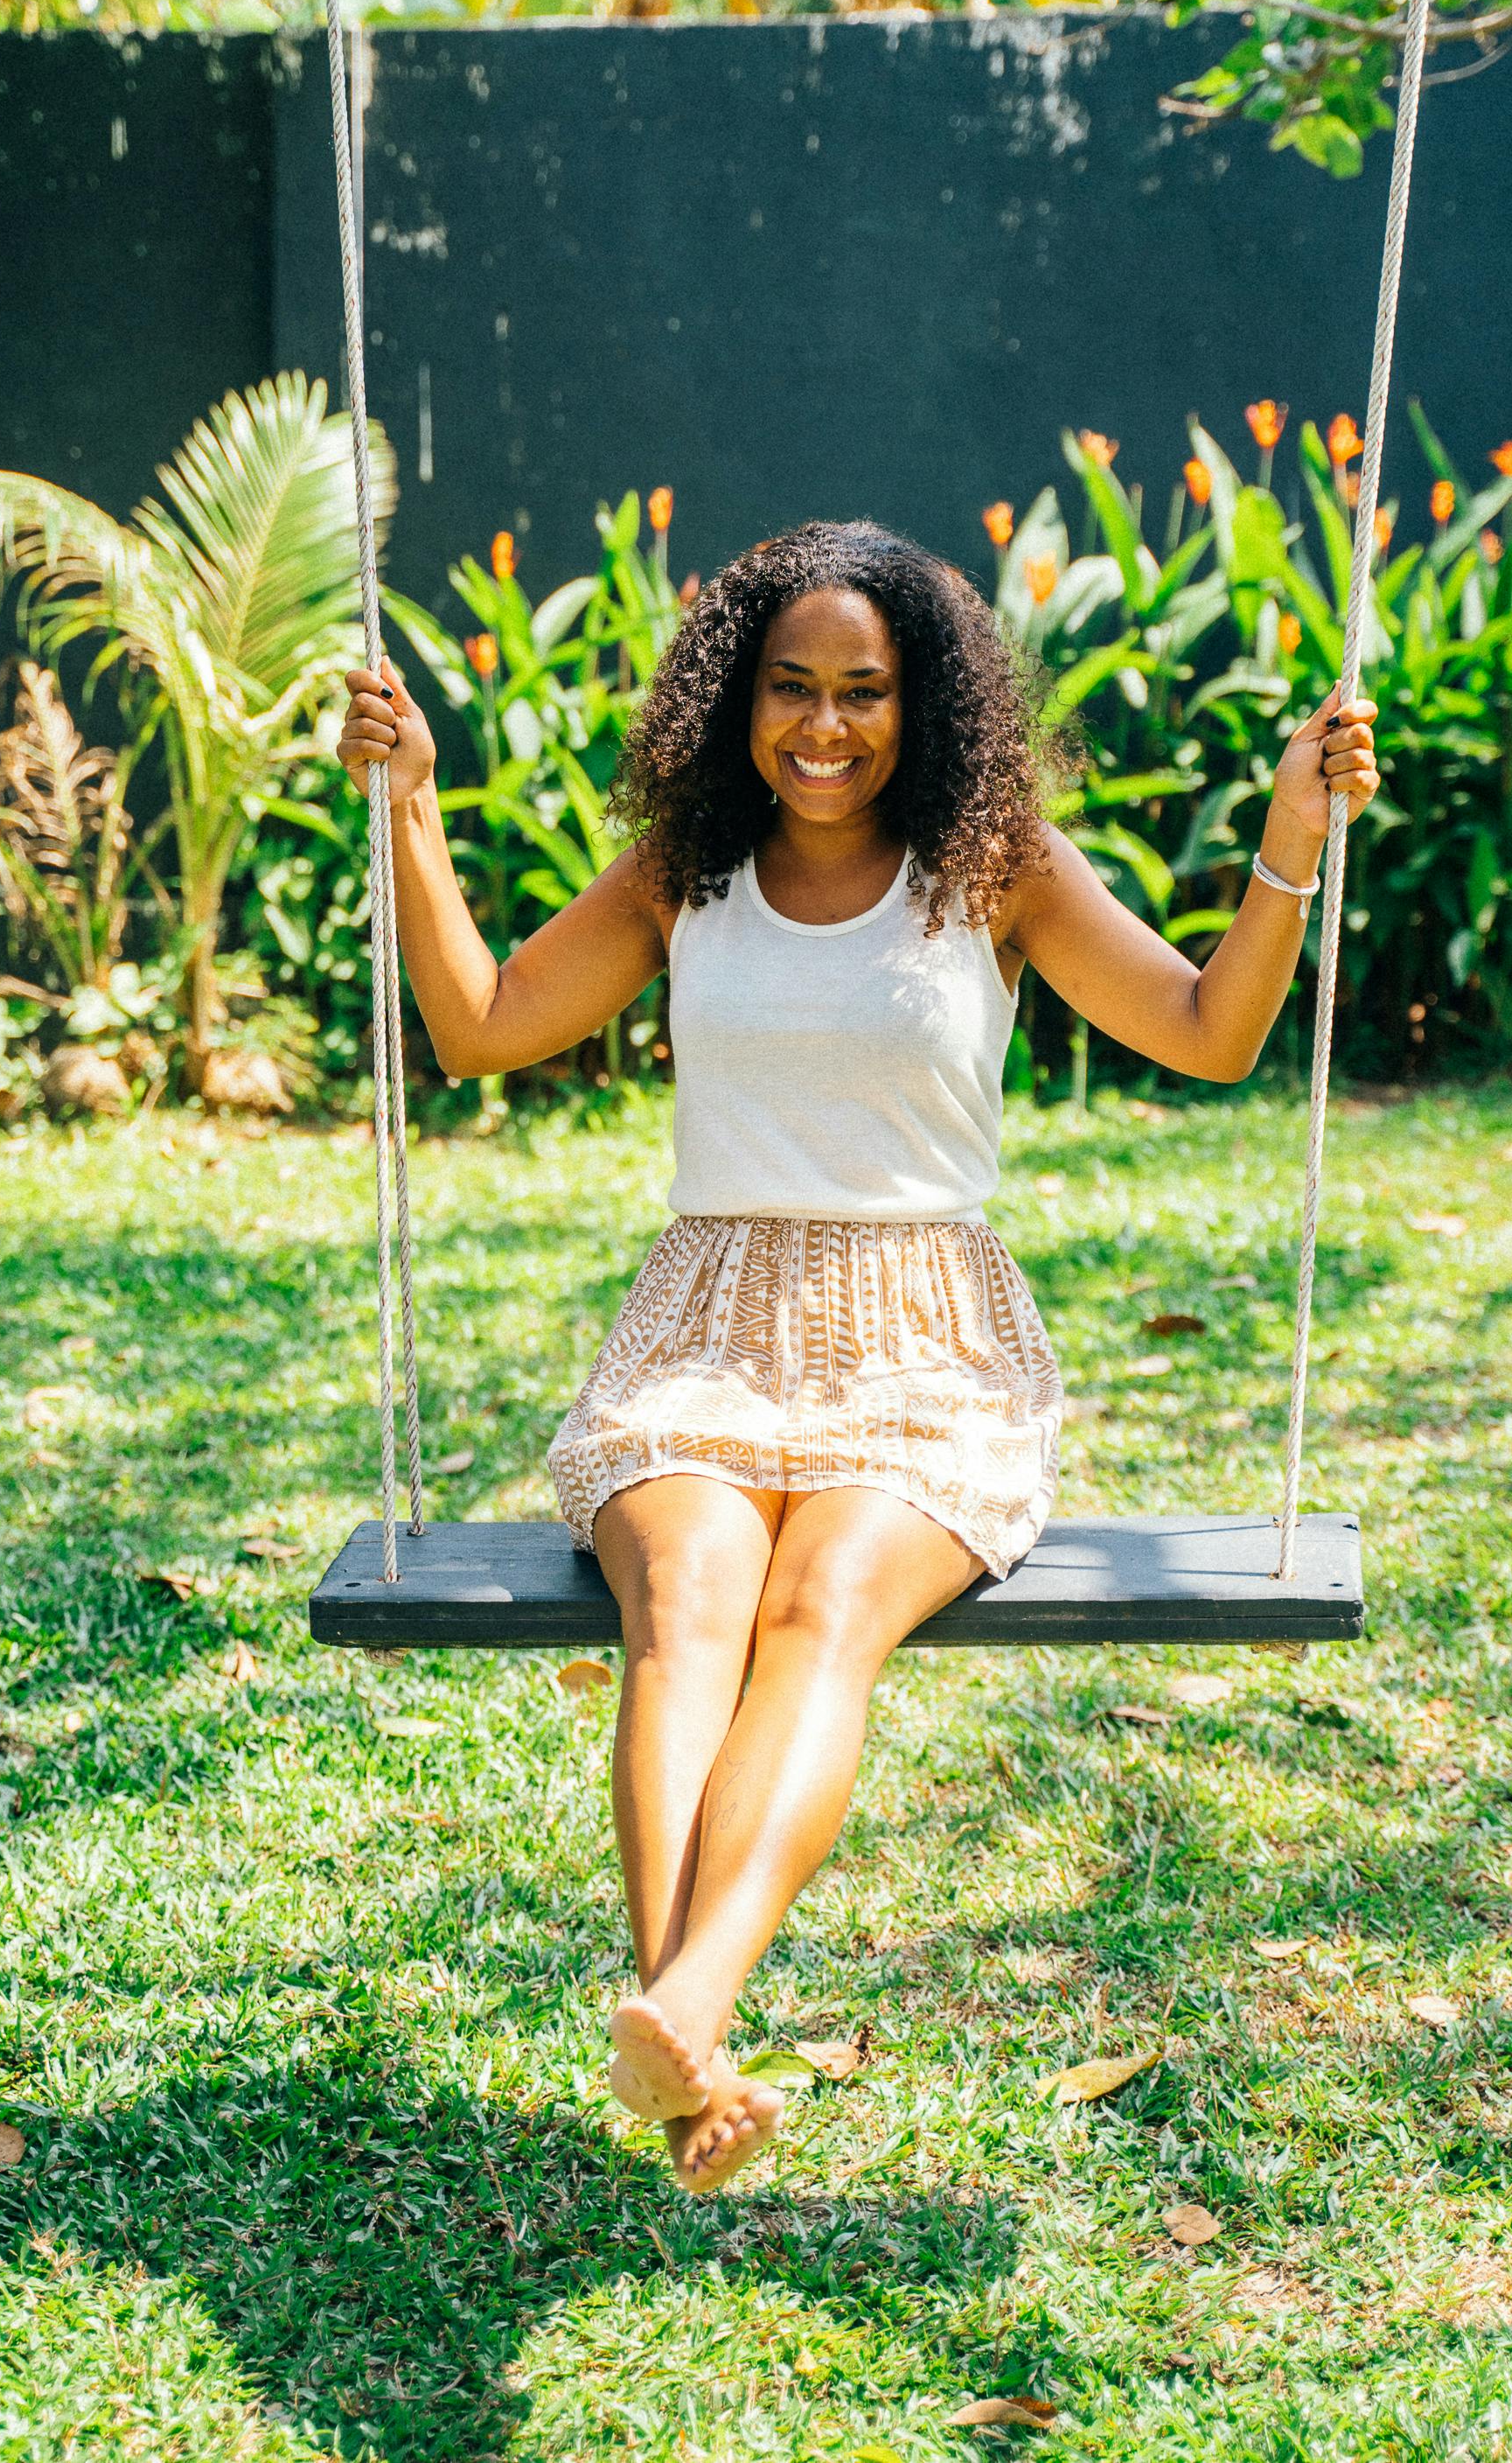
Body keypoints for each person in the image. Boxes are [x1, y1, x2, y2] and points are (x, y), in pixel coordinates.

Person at [339, 520, 1381, 2195]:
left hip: (928, 1342)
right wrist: (407, 807)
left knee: (818, 1606)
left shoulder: (993, 868)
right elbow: (478, 1030)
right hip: (703, 1329)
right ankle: (690, 2048)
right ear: (733, 698)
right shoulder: (685, 871)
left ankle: (682, 2002)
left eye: (864, 693)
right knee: (684, 1603)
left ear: (927, 706)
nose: (822, 728)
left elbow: (1211, 1032)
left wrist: (1287, 840)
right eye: (789, 689)